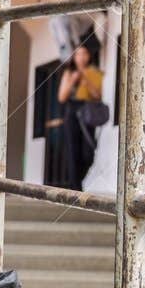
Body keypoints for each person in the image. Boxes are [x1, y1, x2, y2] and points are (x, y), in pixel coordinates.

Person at [46, 42, 104, 189]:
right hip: (72, 113)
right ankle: (76, 188)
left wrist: (87, 81)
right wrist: (73, 79)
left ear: (89, 56)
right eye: (78, 54)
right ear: (74, 57)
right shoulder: (68, 73)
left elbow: (98, 96)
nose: (81, 57)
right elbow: (61, 97)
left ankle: (76, 182)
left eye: (84, 54)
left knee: (89, 154)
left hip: (88, 114)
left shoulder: (94, 72)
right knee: (73, 152)